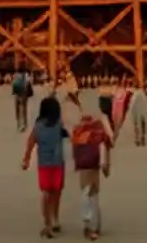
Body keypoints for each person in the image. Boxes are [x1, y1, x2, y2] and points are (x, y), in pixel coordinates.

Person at [21, 96, 68, 239]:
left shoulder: (38, 126)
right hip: (58, 163)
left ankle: (47, 221)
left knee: (46, 193)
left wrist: (26, 159)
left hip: (44, 165)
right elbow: (68, 134)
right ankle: (55, 218)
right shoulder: (59, 123)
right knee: (57, 192)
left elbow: (31, 141)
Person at [71, 109, 114, 241]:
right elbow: (104, 157)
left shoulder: (78, 134)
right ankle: (94, 226)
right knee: (94, 197)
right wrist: (106, 169)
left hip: (84, 170)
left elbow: (74, 153)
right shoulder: (99, 135)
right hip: (94, 170)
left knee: (86, 195)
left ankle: (89, 225)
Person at [126, 81, 147, 147]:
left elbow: (128, 102)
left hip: (136, 110)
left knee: (137, 124)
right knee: (141, 123)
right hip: (140, 109)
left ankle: (138, 138)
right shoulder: (140, 92)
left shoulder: (133, 92)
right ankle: (141, 137)